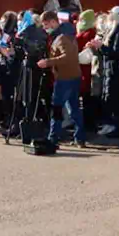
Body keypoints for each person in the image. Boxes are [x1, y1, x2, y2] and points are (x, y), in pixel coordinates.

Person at [37, 10, 86, 148]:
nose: (45, 28)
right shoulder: (67, 35)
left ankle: (53, 138)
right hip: (73, 76)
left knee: (57, 109)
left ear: (54, 21)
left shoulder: (62, 37)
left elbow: (67, 57)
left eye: (46, 24)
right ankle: (79, 138)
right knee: (74, 109)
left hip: (64, 78)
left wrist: (48, 62)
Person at [92, 7, 119, 138]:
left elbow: (116, 53)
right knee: (112, 98)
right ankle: (114, 125)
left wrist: (101, 47)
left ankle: (118, 127)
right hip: (111, 68)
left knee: (116, 98)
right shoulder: (116, 30)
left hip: (115, 69)